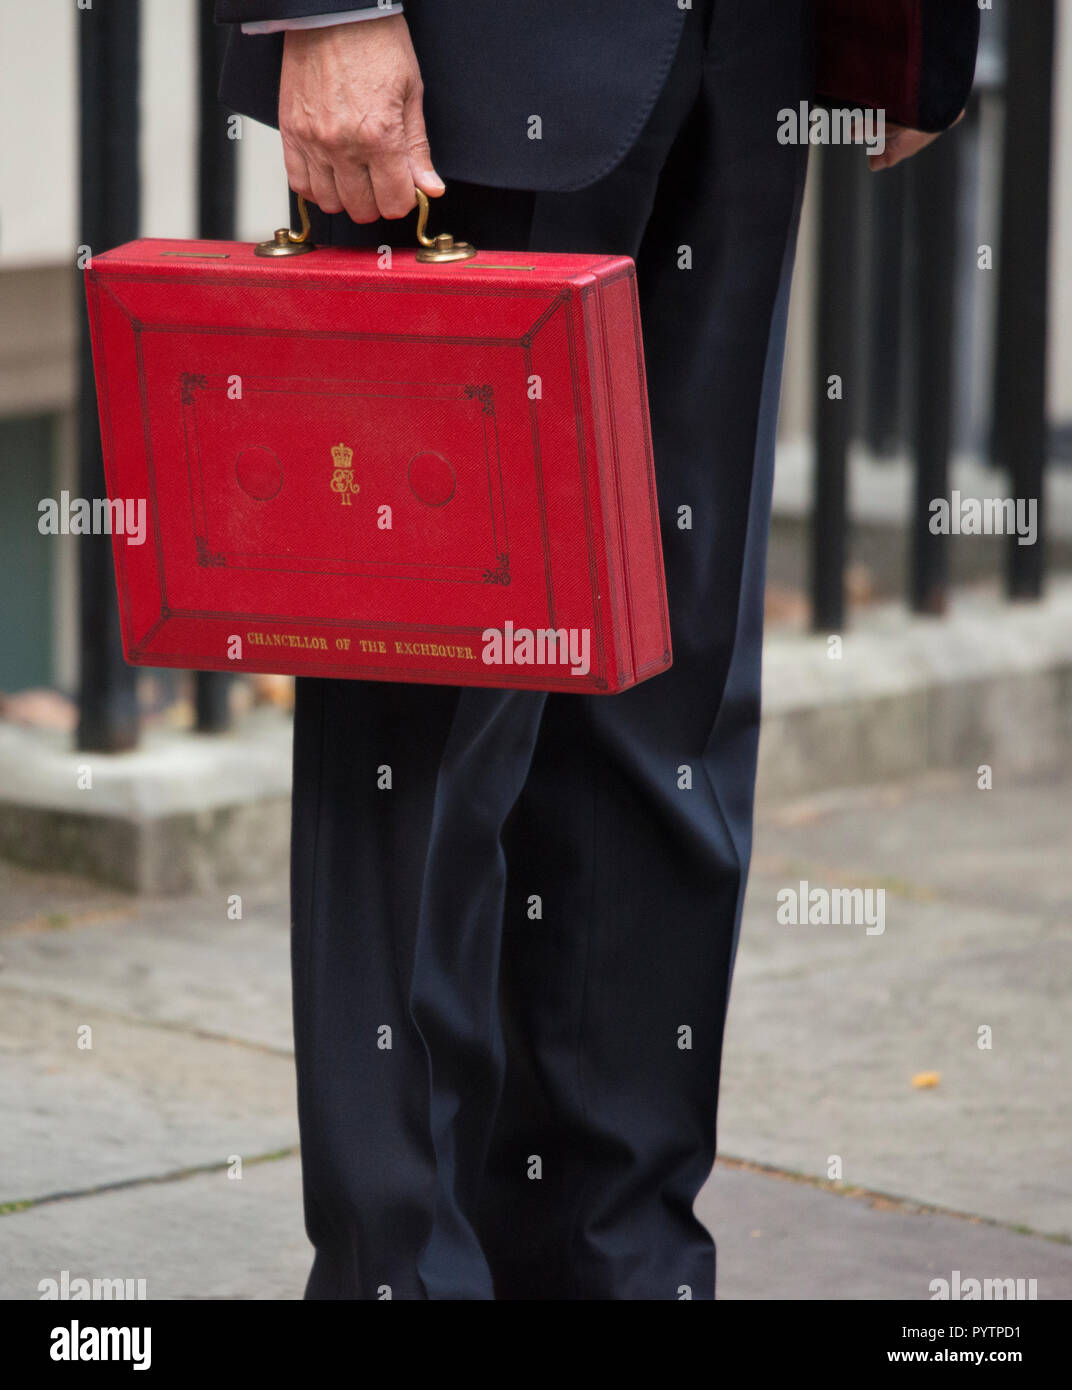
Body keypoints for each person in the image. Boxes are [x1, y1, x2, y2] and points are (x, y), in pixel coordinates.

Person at [214, 0, 980, 1300]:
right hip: (471, 53)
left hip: (752, 46)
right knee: (423, 736)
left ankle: (615, 1264)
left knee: (665, 705)